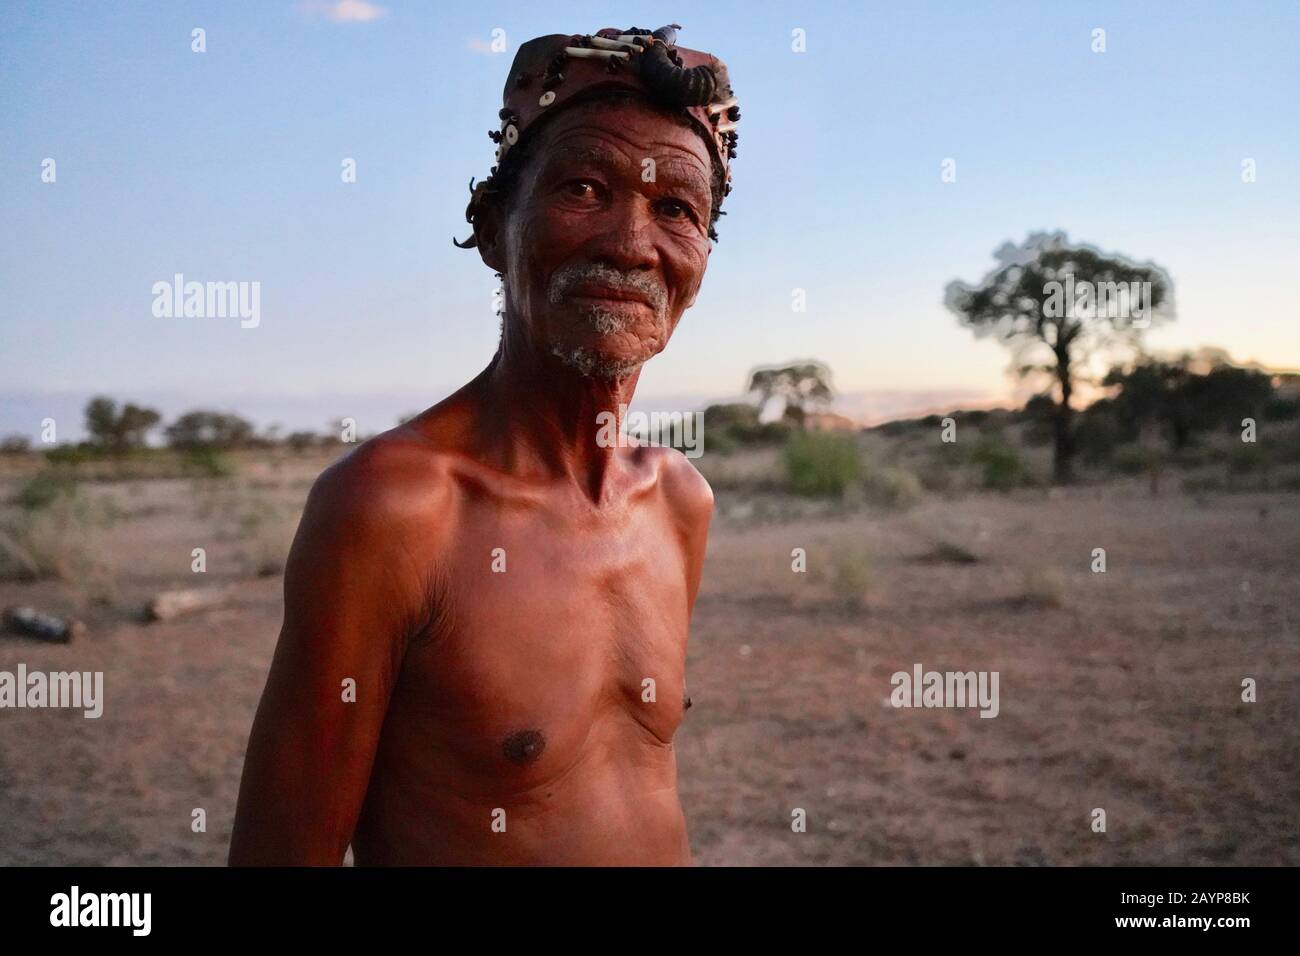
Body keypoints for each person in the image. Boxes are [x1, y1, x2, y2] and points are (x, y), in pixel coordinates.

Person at [229, 24, 740, 865]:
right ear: (496, 223)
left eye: (676, 208)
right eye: (583, 188)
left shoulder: (680, 502)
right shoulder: (393, 510)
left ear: (702, 256)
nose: (631, 241)